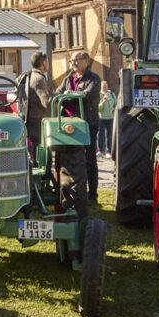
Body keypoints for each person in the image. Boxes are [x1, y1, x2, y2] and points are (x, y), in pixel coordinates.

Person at [59, 50, 103, 203]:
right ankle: (68, 191)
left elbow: (85, 96)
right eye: (71, 61)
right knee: (66, 158)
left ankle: (93, 194)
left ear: (86, 61)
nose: (73, 64)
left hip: (86, 125)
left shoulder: (94, 79)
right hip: (67, 125)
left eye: (76, 61)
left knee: (90, 160)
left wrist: (68, 94)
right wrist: (69, 96)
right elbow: (58, 96)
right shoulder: (67, 79)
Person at [20, 51, 52, 148]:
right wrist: (60, 98)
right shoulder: (39, 79)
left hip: (28, 121)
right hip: (38, 123)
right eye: (48, 62)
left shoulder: (26, 75)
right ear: (43, 63)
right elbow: (46, 102)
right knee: (43, 158)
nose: (48, 64)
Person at [98, 83, 117, 156]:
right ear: (101, 87)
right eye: (103, 86)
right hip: (101, 118)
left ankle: (108, 151)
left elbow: (116, 104)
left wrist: (114, 110)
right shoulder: (99, 95)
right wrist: (103, 103)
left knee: (109, 135)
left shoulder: (112, 94)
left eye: (106, 86)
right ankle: (100, 151)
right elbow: (98, 108)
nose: (105, 87)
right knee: (100, 134)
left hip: (110, 118)